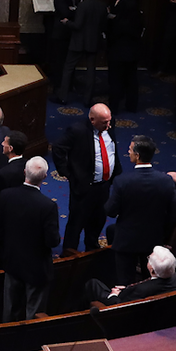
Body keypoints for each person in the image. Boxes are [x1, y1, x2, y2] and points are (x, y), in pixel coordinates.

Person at [104, 136, 176, 283]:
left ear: (137, 155)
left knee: (125, 283)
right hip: (154, 241)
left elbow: (111, 211)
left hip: (126, 242)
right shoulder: (166, 181)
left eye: (130, 149)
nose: (128, 152)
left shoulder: (122, 181)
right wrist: (164, 236)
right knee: (151, 282)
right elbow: (175, 213)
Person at [0, 157, 60, 322]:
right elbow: (52, 241)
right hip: (36, 268)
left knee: (9, 312)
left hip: (12, 262)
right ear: (45, 177)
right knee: (34, 315)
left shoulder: (6, 195)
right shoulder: (47, 206)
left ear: (25, 172)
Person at [56, 104, 117, 254]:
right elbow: (58, 148)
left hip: (104, 186)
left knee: (98, 220)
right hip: (84, 187)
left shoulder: (108, 125)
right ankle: (69, 254)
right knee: (76, 223)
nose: (109, 125)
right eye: (105, 122)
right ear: (92, 120)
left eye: (109, 121)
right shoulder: (77, 130)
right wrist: (67, 173)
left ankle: (92, 249)